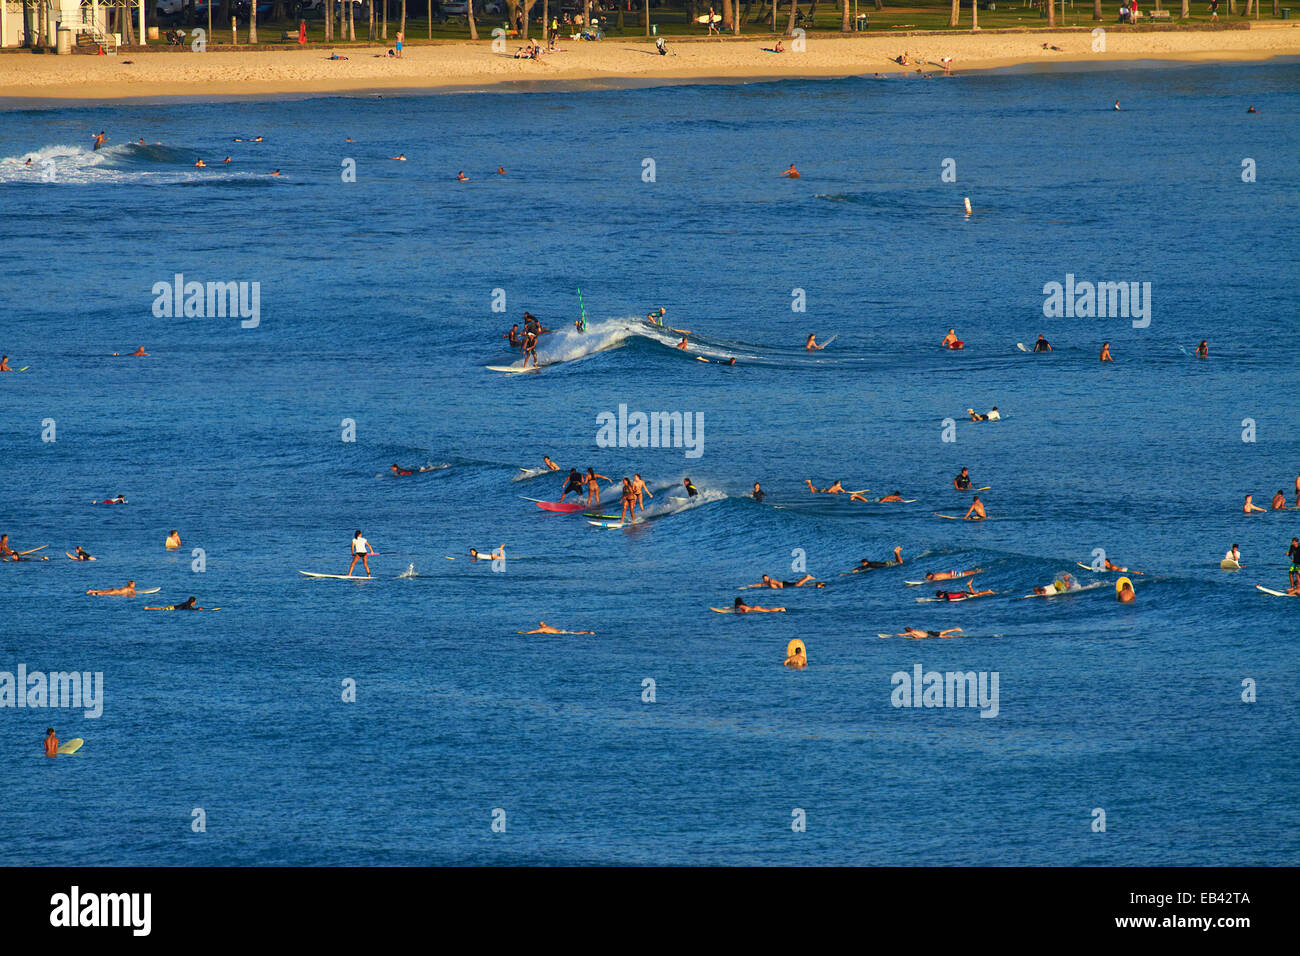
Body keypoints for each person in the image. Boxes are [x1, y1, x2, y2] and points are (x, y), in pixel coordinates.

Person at [741, 574, 824, 589]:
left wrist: (780, 587)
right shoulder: (766, 582)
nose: (765, 579)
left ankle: (807, 577)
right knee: (796, 583)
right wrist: (752, 586)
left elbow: (778, 583)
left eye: (766, 578)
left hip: (784, 585)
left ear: (768, 577)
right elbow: (760, 585)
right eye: (764, 578)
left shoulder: (771, 580)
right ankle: (807, 578)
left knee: (797, 585)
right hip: (784, 585)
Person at [889, 627, 963, 640]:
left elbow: (904, 635)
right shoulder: (915, 630)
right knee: (943, 632)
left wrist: (896, 635)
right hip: (929, 633)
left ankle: (956, 636)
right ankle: (956, 629)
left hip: (929, 635)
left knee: (943, 636)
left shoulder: (911, 632)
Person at [525, 622, 594, 634]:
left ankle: (588, 632)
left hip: (561, 633)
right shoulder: (548, 626)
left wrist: (526, 633)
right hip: (561, 631)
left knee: (576, 633)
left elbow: (534, 631)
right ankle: (587, 632)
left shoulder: (542, 629)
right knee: (575, 633)